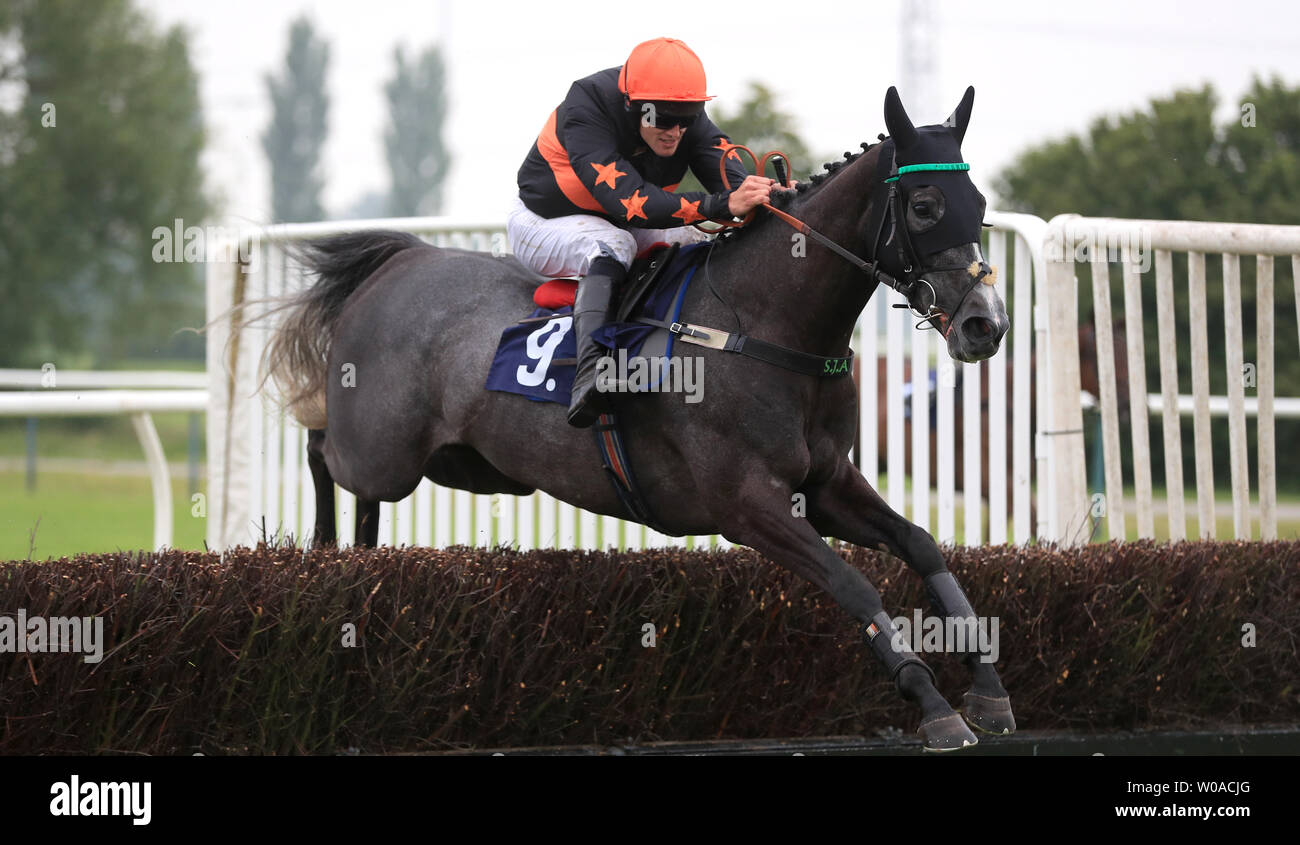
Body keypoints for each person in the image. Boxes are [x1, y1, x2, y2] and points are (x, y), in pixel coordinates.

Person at [509, 37, 787, 427]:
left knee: (694, 241)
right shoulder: (586, 107)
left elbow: (732, 182)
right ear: (633, 106)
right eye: (664, 120)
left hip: (616, 221)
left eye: (686, 120)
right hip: (542, 222)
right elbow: (632, 205)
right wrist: (721, 205)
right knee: (614, 243)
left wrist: (766, 196)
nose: (676, 131)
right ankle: (591, 372)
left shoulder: (680, 118)